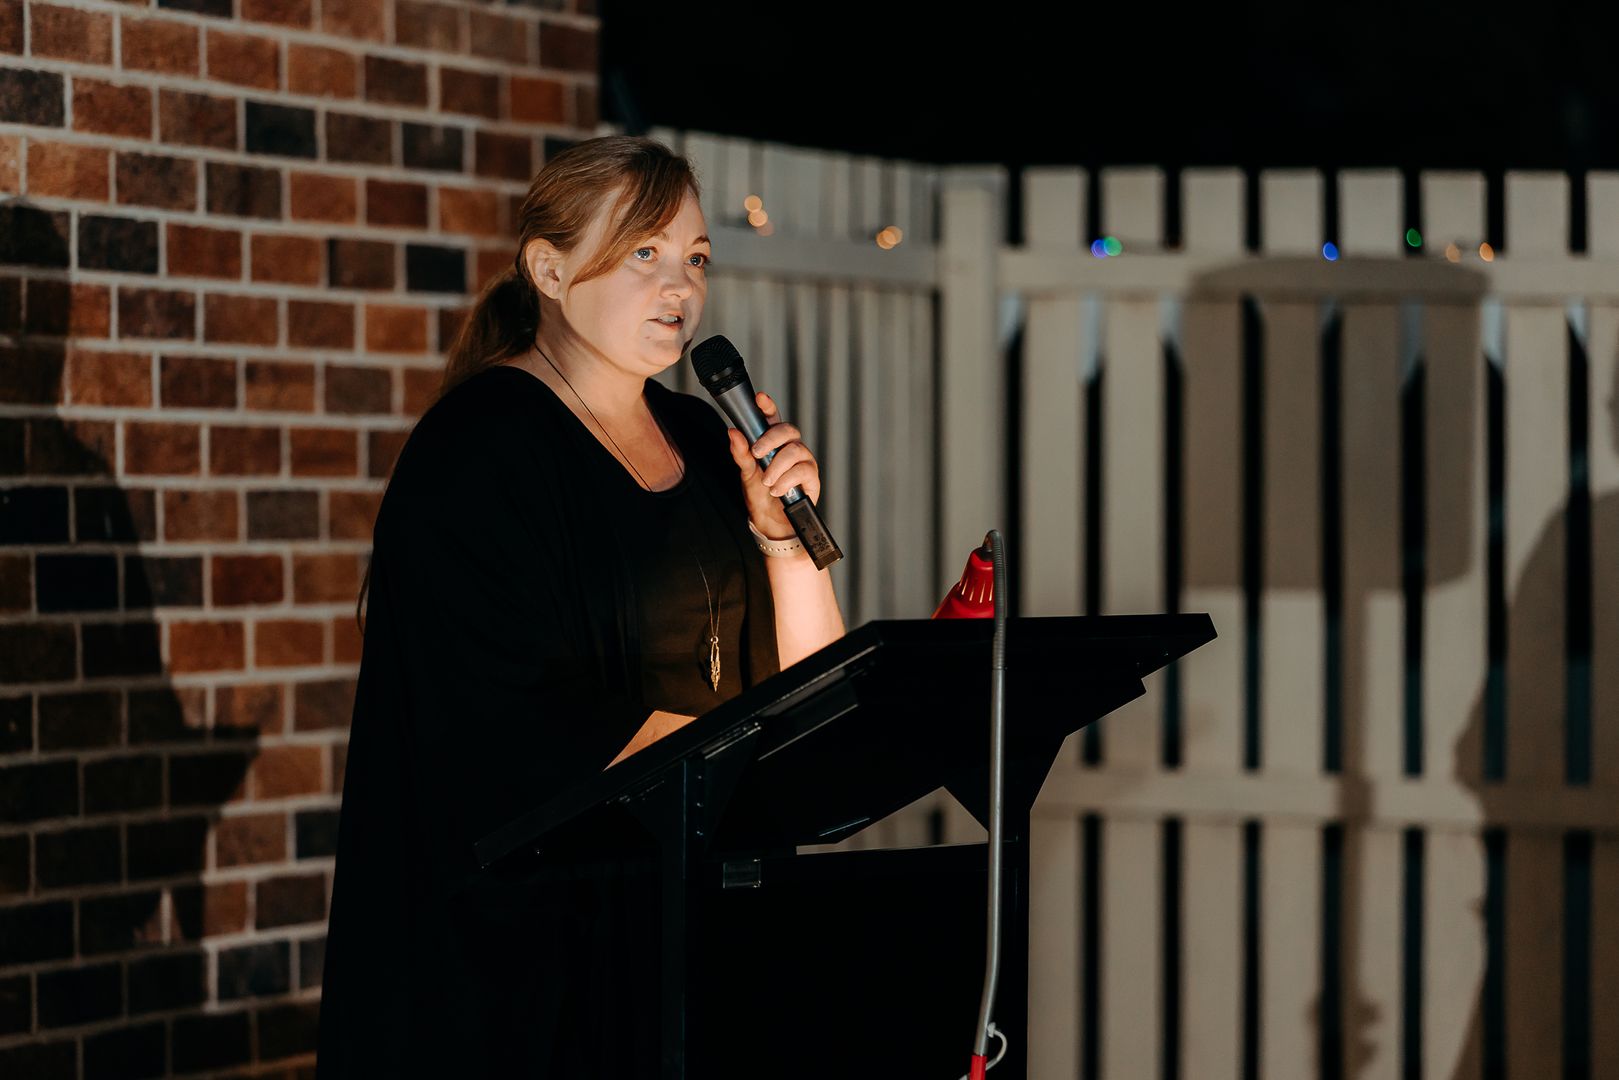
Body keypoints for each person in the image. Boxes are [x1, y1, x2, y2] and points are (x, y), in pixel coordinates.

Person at [315, 135, 846, 1077]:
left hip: (692, 923)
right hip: (530, 963)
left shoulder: (703, 436)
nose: (677, 284)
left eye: (694, 258)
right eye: (642, 252)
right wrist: (734, 777)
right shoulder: (477, 448)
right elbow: (509, 720)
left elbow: (804, 698)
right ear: (548, 269)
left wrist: (781, 541)